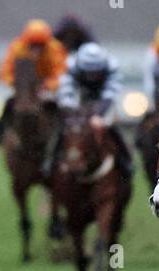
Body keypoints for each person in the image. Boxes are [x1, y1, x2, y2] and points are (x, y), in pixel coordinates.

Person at [49, 41, 132, 179]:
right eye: (88, 72)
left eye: (95, 72)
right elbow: (66, 93)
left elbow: (110, 95)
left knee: (112, 129)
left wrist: (99, 116)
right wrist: (75, 115)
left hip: (102, 100)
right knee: (64, 130)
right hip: (80, 100)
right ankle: (51, 164)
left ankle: (126, 163)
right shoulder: (70, 66)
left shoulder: (112, 67)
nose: (92, 75)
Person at [0, 19, 67, 143]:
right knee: (9, 104)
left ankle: (61, 137)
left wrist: (48, 85)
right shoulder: (16, 48)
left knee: (57, 108)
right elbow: (5, 71)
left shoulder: (55, 49)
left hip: (45, 88)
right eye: (33, 45)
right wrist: (17, 84)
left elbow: (61, 73)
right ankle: (0, 132)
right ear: (27, 41)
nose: (36, 49)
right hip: (24, 88)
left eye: (40, 45)